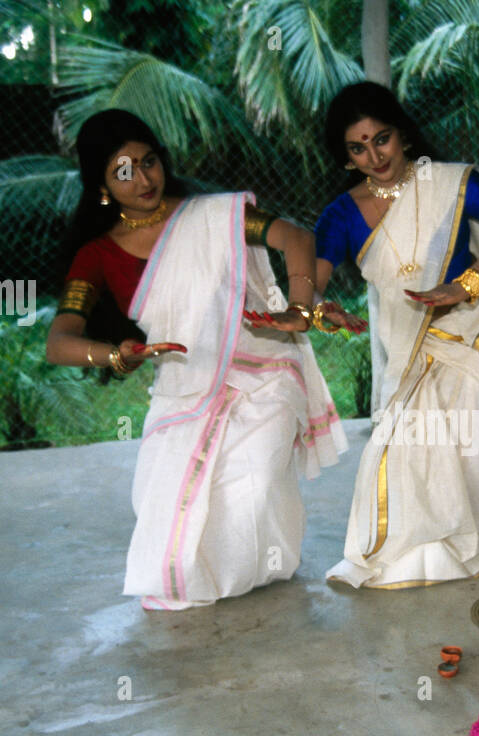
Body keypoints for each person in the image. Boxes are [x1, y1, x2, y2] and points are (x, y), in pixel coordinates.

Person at [45, 109, 360, 609]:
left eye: (149, 162)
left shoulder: (212, 217)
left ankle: (260, 565)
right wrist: (115, 355)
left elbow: (294, 236)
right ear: (102, 186)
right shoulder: (99, 253)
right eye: (124, 171)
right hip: (183, 386)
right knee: (163, 509)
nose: (145, 178)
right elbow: (59, 341)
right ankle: (222, 573)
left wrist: (302, 307)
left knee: (254, 481)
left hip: (264, 370)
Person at [313, 82, 479, 588]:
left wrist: (465, 285)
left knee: (465, 425)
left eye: (382, 138)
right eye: (358, 147)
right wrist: (324, 310)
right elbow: (316, 284)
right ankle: (428, 545)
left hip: (471, 330)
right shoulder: (341, 215)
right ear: (346, 157)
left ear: (404, 134)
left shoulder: (452, 183)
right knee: (410, 442)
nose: (374, 155)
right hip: (409, 349)